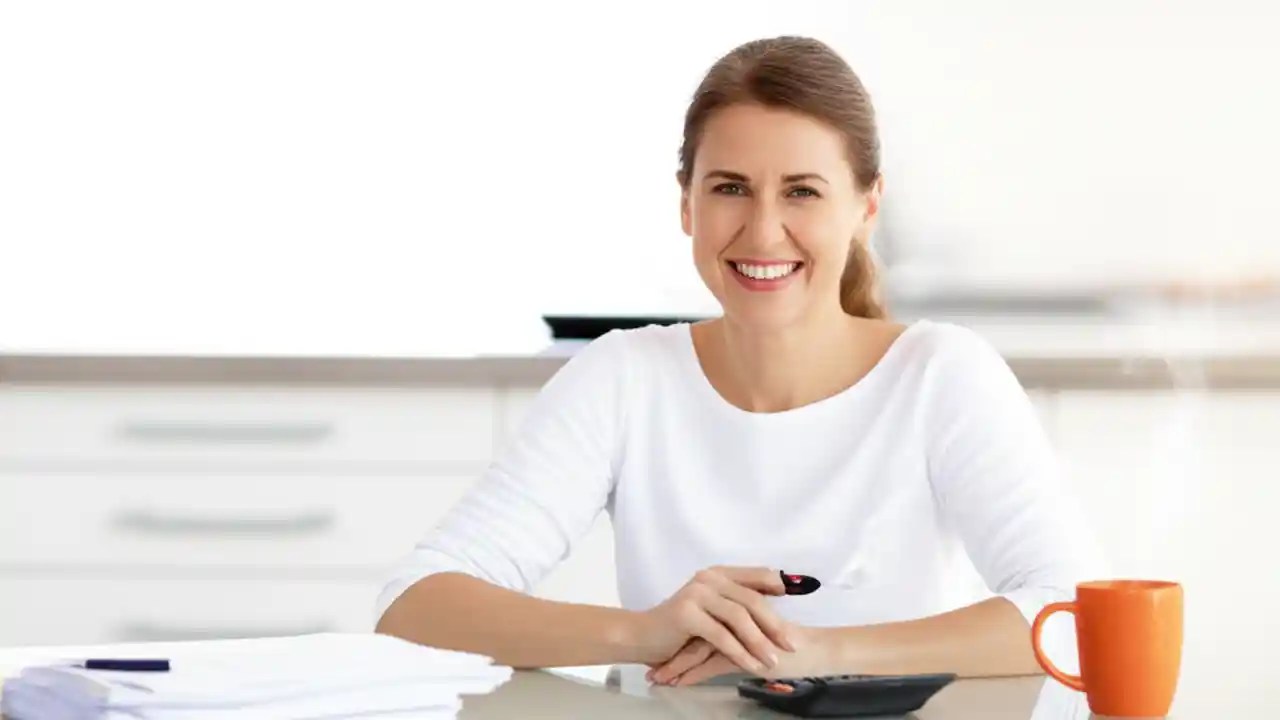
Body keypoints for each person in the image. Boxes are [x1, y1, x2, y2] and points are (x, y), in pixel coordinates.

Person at [375, 35, 1100, 687]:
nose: (763, 232)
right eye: (730, 188)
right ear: (687, 204)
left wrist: (816, 650)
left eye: (802, 192)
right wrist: (644, 633)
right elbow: (413, 605)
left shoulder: (942, 375)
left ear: (866, 207)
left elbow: (1076, 615)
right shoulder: (624, 379)